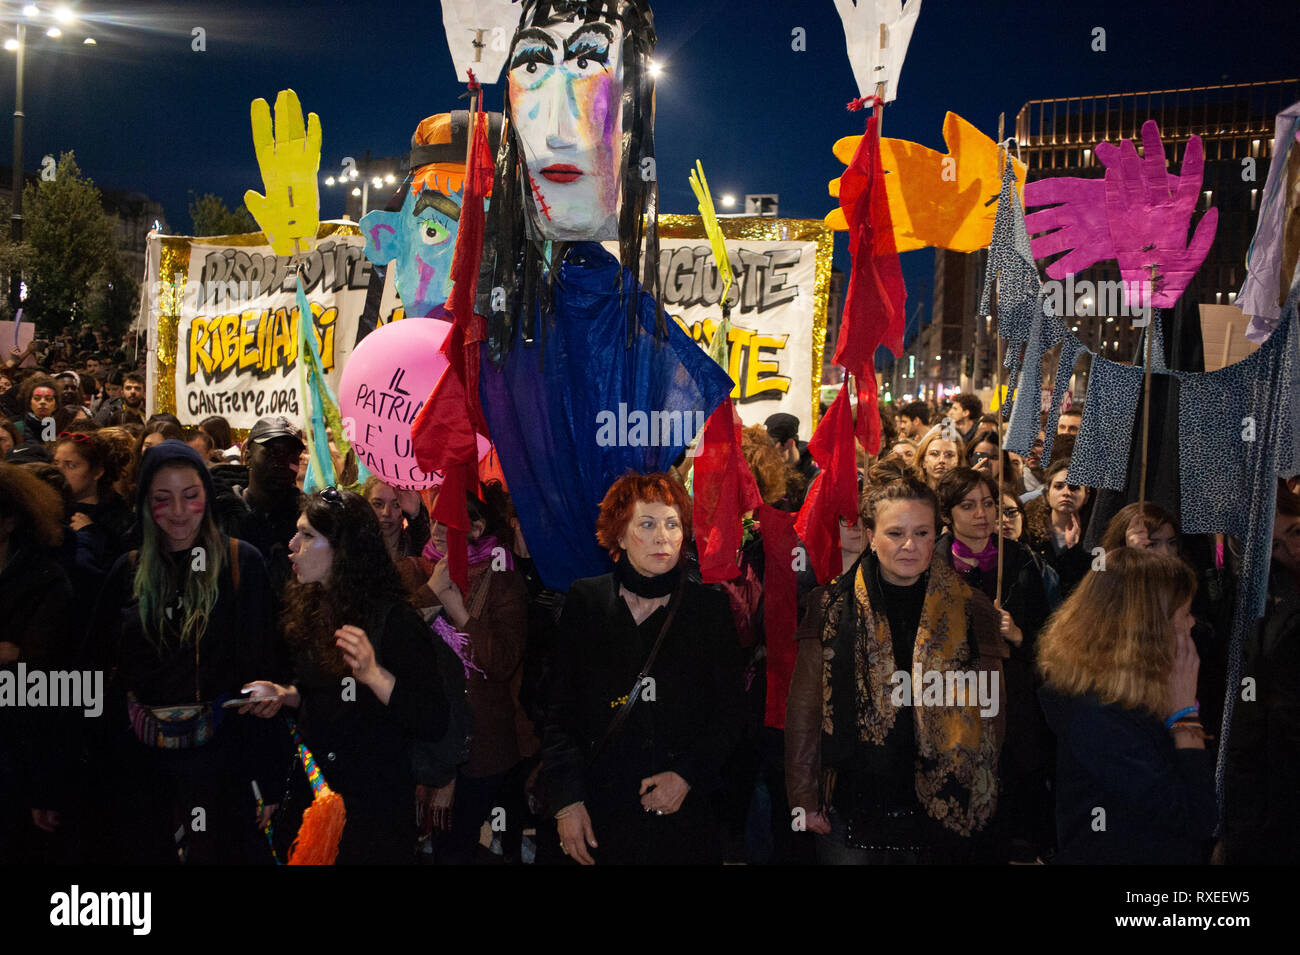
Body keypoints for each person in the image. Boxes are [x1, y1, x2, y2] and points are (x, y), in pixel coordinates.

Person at [785, 461, 1006, 864]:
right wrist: (803, 796)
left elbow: (992, 715)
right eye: (895, 533)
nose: (910, 545)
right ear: (871, 537)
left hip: (943, 807)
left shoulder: (972, 610)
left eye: (921, 533)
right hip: (849, 805)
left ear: (936, 534)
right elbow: (805, 711)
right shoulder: (830, 605)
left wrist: (981, 791)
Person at [81, 441, 282, 863]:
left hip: (221, 769)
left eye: (190, 495)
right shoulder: (128, 570)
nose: (177, 510)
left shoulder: (241, 563)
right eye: (162, 498)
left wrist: (266, 776)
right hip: (141, 772)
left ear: (206, 497)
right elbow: (95, 670)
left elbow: (263, 672)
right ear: (144, 503)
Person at [540, 473, 746, 865]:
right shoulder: (586, 602)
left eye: (672, 525)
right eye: (647, 524)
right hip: (598, 811)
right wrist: (566, 802)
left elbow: (730, 715)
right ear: (619, 535)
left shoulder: (709, 610)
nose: (662, 537)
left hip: (681, 816)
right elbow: (558, 715)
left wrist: (687, 775)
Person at [242, 487, 448, 865]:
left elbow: (433, 720)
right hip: (318, 798)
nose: (291, 545)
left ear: (343, 549)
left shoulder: (395, 621)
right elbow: (323, 696)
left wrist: (375, 675)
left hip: (373, 816)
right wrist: (285, 695)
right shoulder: (311, 606)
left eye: (307, 536)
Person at [1037, 547, 1215, 864]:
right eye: (1183, 614)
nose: (1191, 624)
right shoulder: (1099, 716)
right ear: (1145, 630)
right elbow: (1196, 816)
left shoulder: (1138, 691)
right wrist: (1186, 715)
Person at [934, 468, 1054, 861]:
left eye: (987, 503)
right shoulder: (932, 563)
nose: (981, 514)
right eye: (967, 506)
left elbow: (1050, 637)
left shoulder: (1019, 560)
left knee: (1010, 794)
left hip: (1011, 697)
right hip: (953, 701)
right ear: (947, 514)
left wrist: (1017, 634)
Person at [420, 487, 532, 864]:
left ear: (478, 527)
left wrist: (459, 611)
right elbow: (395, 646)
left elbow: (501, 661)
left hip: (482, 748)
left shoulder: (502, 579)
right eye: (434, 518)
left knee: (458, 847)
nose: (437, 529)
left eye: (449, 522)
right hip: (426, 740)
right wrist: (431, 592)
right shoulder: (416, 569)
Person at [0, 464, 78, 862]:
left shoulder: (45, 581)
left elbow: (44, 685)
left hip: (20, 754)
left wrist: (44, 788)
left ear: (9, 521)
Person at [1223, 482, 1300, 863]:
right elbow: (1249, 727)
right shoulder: (1266, 614)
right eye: (1275, 545)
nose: (1294, 551)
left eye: (1297, 532)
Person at [215, 416, 305, 592]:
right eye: (272, 452)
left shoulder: (307, 522)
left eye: (292, 455)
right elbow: (197, 564)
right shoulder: (217, 513)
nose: (282, 463)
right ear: (247, 456)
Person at [52, 431, 133, 572]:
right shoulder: (51, 509)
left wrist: (91, 534)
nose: (60, 472)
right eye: (56, 463)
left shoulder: (118, 516)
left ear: (97, 472)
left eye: (71, 465)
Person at [1022, 458, 1092, 598]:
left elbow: (1098, 578)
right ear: (1048, 494)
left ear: (1086, 497)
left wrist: (1073, 549)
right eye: (1059, 486)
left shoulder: (1095, 535)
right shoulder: (1028, 531)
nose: (1066, 492)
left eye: (1074, 487)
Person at [14, 374, 59, 448]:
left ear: (56, 405)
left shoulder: (62, 427)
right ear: (29, 404)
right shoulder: (17, 428)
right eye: (37, 398)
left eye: (48, 399)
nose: (42, 402)